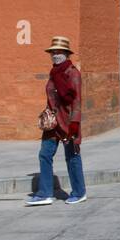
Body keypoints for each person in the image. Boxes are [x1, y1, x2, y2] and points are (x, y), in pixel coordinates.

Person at [27, 35, 87, 206]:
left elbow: (77, 101)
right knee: (44, 154)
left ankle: (79, 192)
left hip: (68, 123)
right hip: (53, 123)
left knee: (72, 157)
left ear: (66, 54)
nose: (55, 55)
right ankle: (45, 192)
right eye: (52, 52)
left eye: (58, 52)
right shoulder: (54, 73)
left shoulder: (72, 73)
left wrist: (74, 124)